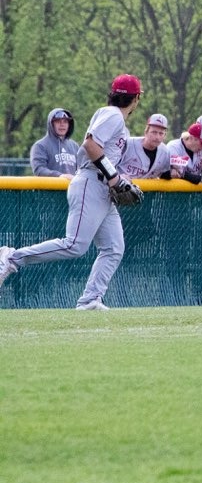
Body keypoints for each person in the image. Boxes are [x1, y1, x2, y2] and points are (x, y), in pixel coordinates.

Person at [0, 75, 146, 310]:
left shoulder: (113, 118)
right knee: (74, 245)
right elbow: (90, 145)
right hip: (91, 183)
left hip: (102, 188)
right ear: (136, 98)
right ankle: (11, 257)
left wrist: (117, 178)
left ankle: (90, 299)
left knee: (113, 247)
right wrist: (113, 176)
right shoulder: (114, 115)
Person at [30, 107, 81, 178]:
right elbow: (39, 170)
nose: (62, 124)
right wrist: (60, 176)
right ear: (51, 124)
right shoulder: (40, 146)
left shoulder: (74, 146)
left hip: (72, 185)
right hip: (50, 185)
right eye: (58, 121)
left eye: (65, 121)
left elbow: (81, 169)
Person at [120, 113, 173, 179]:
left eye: (161, 133)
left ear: (165, 135)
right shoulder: (128, 144)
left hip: (142, 186)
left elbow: (164, 174)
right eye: (154, 132)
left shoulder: (165, 152)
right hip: (118, 184)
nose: (157, 137)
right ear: (146, 132)